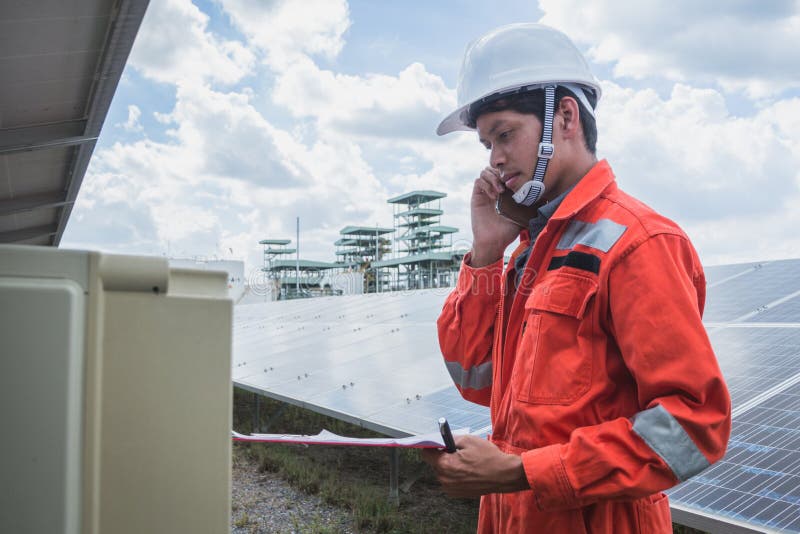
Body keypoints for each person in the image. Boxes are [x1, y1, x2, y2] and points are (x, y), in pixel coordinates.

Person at [421, 23, 731, 533]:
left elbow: (694, 425)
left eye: (504, 134)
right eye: (485, 144)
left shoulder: (638, 243)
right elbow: (474, 377)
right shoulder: (530, 254)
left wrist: (521, 471)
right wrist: (485, 254)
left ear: (564, 117)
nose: (494, 158)